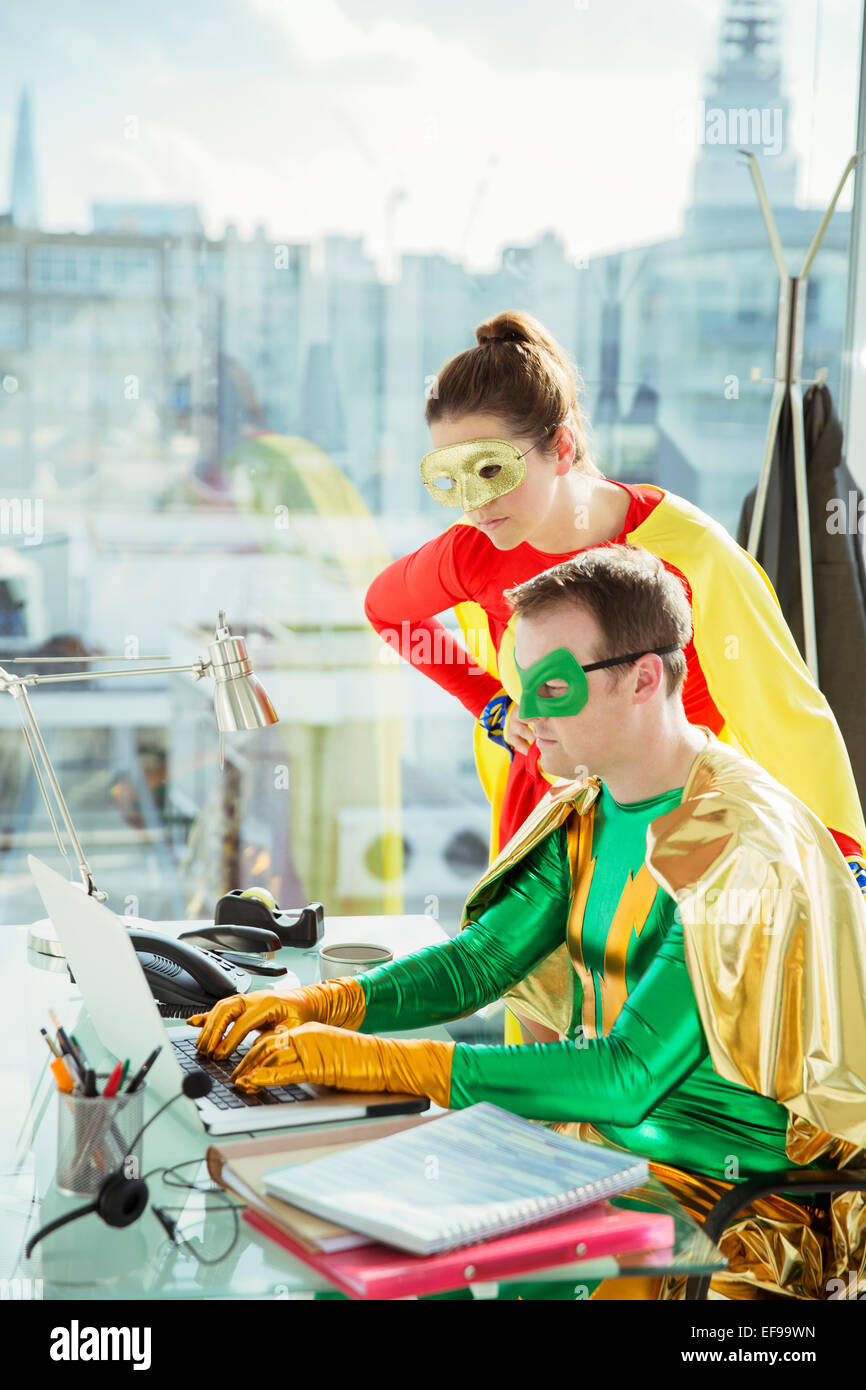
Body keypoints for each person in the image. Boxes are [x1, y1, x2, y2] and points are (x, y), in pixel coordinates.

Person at [191, 546, 866, 1301]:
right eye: (522, 685)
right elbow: (479, 963)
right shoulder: (585, 805)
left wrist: (370, 1061)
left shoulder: (738, 843)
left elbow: (625, 1076)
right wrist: (316, 1005)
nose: (526, 713)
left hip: (718, 1215)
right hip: (579, 1164)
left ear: (645, 678)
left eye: (555, 688)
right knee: (336, 1263)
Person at [363, 307, 866, 879]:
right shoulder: (475, 549)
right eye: (449, 479)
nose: (475, 505)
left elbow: (784, 710)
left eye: (492, 470)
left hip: (682, 831)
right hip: (548, 826)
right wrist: (493, 707)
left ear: (561, 445)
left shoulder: (690, 551)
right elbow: (387, 610)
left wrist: (842, 856)